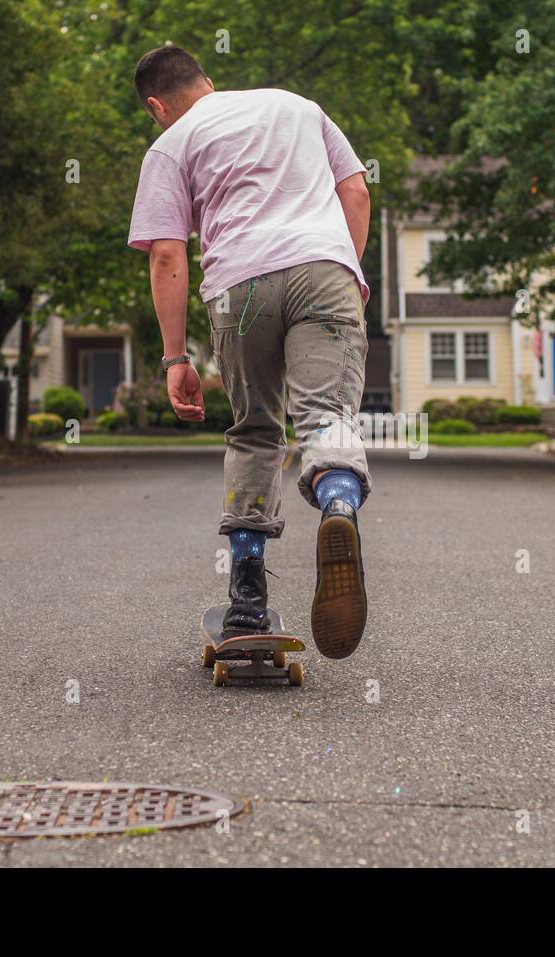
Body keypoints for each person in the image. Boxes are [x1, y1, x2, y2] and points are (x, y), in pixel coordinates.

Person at [127, 46, 371, 660]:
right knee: (327, 416)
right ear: (209, 81)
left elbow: (167, 255)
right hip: (324, 269)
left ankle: (246, 595)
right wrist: (345, 270)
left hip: (242, 287)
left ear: (156, 105)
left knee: (256, 431)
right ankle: (339, 498)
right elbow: (356, 191)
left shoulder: (170, 144)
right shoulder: (298, 106)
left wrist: (175, 358)